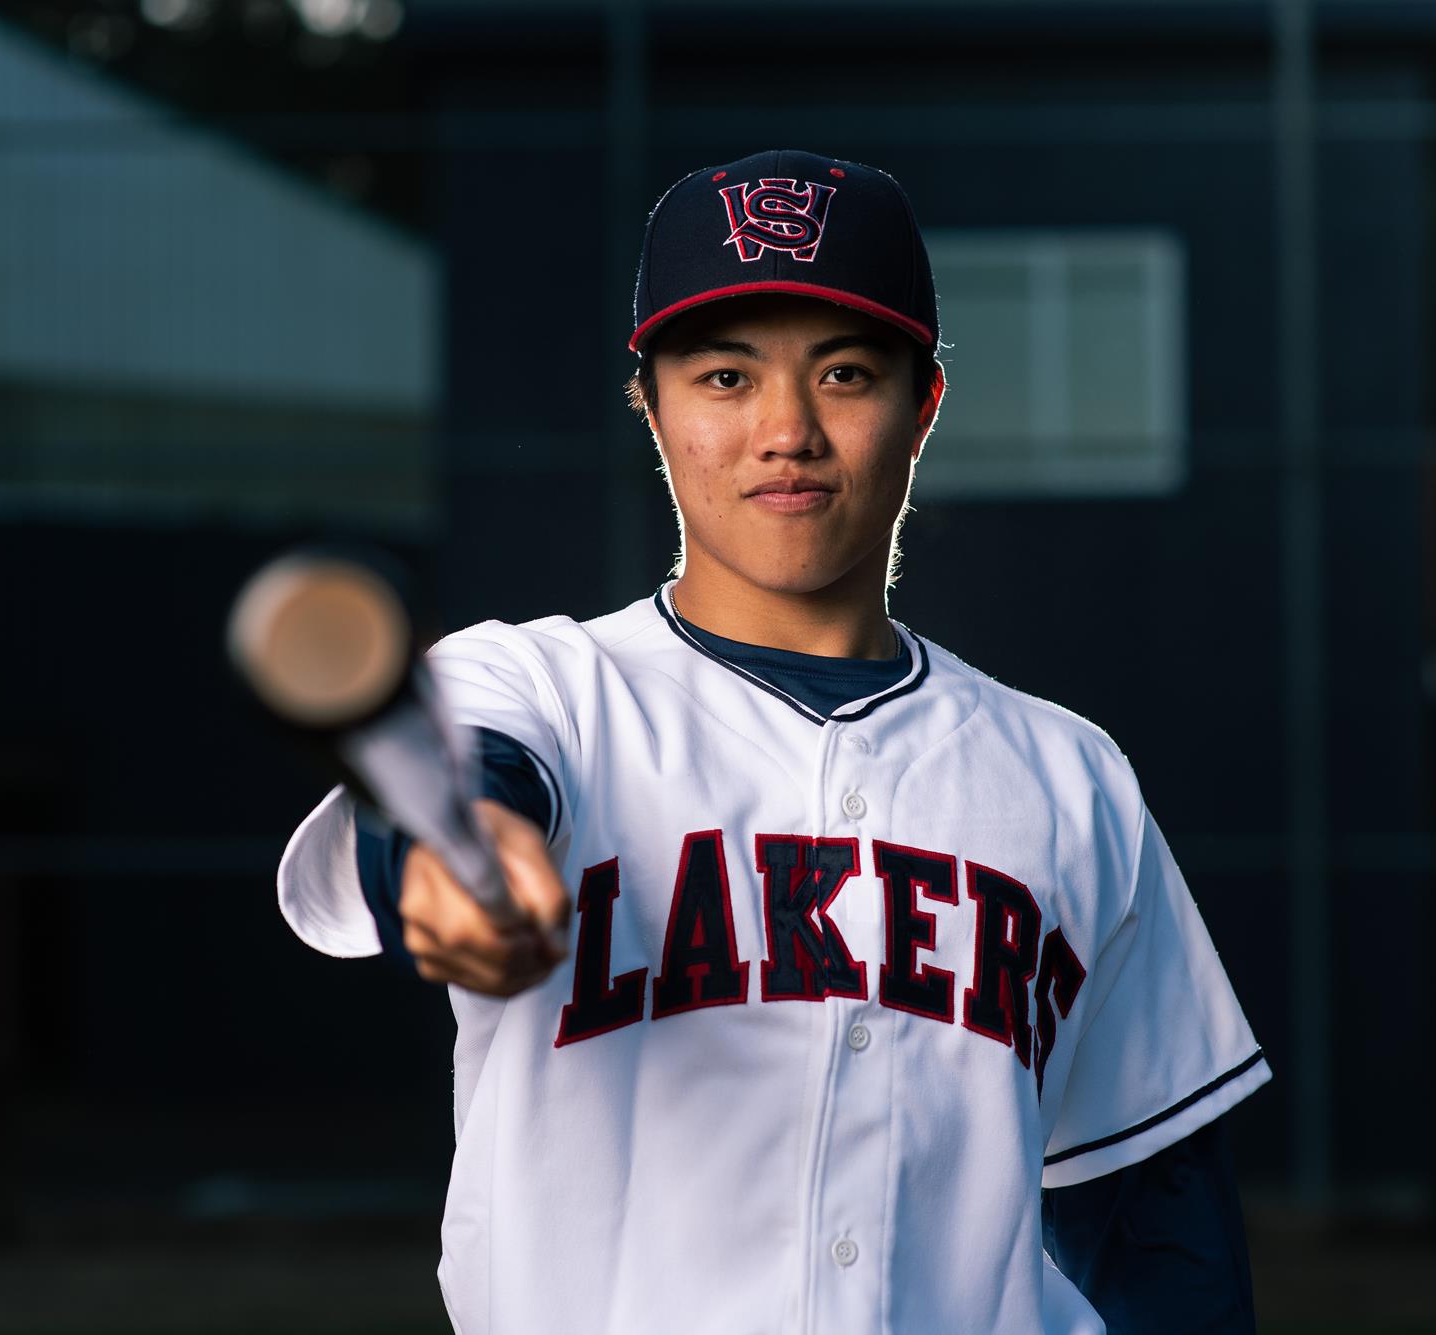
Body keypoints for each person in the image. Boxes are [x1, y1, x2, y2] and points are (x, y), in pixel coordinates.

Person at [277, 148, 1270, 1335]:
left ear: (923, 406)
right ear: (650, 404)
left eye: (844, 373)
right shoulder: (544, 683)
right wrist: (459, 862)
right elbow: (458, 780)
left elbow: (1157, 1228)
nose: (785, 430)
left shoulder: (1069, 777)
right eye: (725, 376)